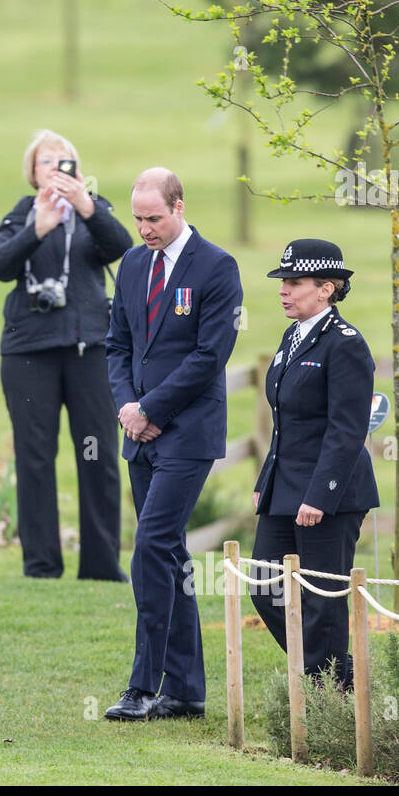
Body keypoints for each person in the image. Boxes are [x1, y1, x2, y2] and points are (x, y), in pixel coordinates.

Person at [103, 167, 242, 720]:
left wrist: (153, 408)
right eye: (137, 219)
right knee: (172, 554)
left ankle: (141, 685)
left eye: (154, 218)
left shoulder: (217, 267)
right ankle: (186, 692)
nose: (144, 229)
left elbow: (211, 356)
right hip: (139, 431)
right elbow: (116, 345)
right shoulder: (133, 264)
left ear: (179, 206)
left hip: (189, 432)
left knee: (151, 546)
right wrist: (128, 410)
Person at [0, 129, 132, 581]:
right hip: (29, 355)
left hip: (89, 350)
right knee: (34, 457)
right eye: (46, 161)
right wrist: (37, 229)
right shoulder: (20, 215)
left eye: (64, 160)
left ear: (78, 170)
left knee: (98, 456)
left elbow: (123, 248)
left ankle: (102, 566)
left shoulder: (94, 210)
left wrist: (86, 207)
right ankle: (41, 565)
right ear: (32, 173)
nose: (55, 167)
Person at [249, 238, 380, 690]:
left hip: (331, 493)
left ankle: (329, 700)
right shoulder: (292, 336)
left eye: (295, 282)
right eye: (282, 282)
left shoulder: (346, 345)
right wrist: (265, 482)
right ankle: (334, 675)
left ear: (328, 288)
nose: (284, 290)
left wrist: (319, 496)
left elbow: (346, 430)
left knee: (323, 599)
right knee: (264, 586)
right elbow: (284, 422)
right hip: (284, 489)